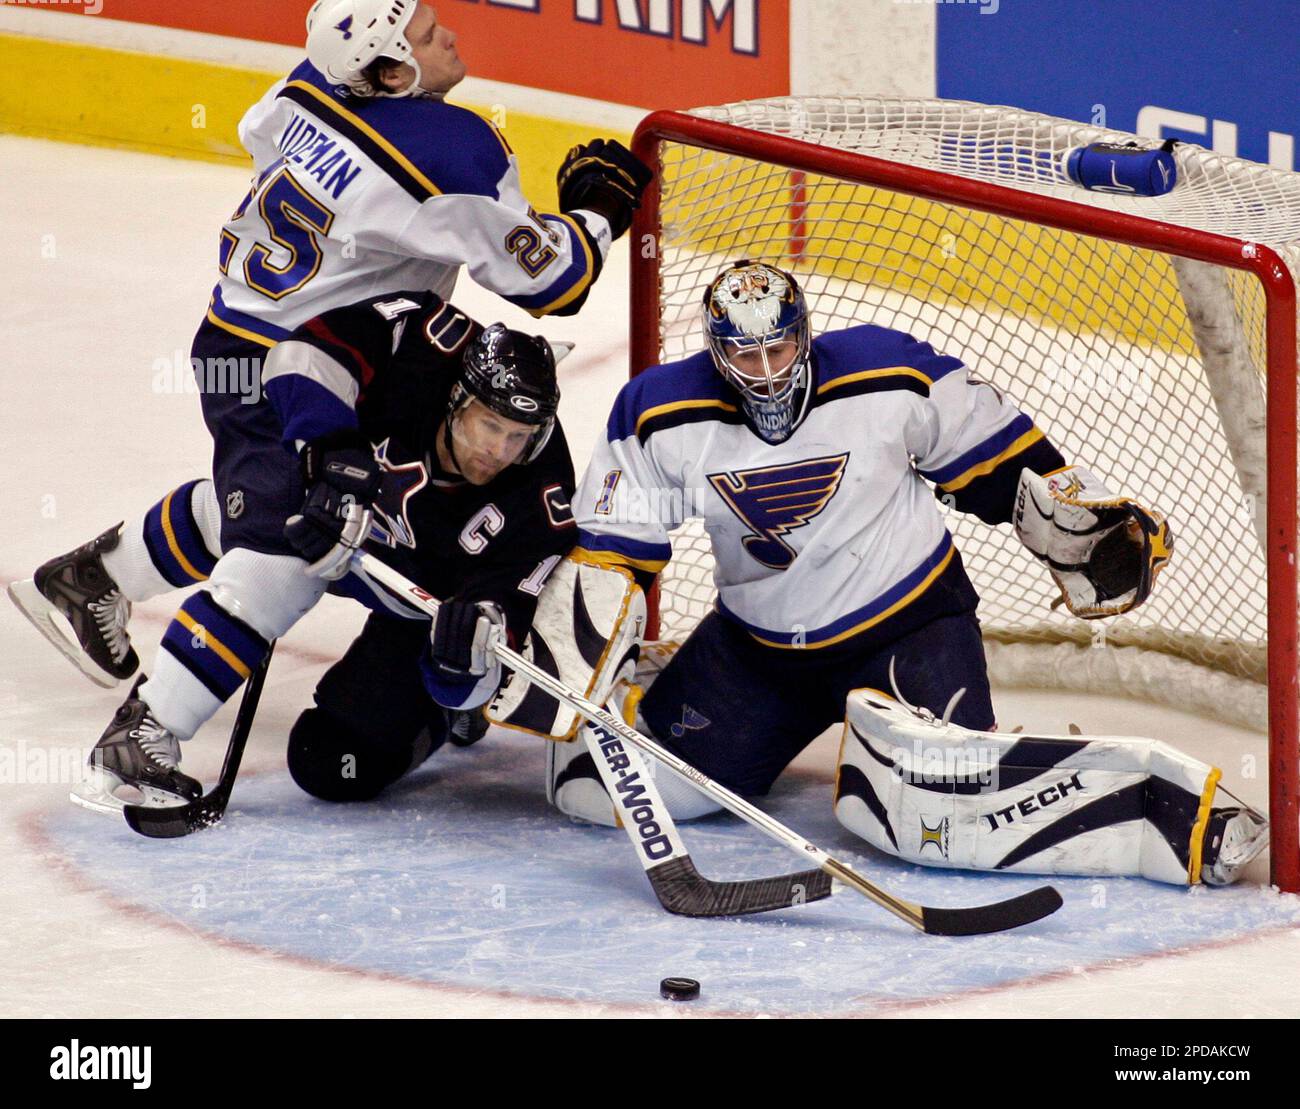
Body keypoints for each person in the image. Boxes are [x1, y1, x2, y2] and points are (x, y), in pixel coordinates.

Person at [9, 0, 644, 794]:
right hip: (308, 362)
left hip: (238, 336)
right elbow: (554, 280)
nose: (444, 31)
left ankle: (96, 575)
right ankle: (145, 735)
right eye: (419, 36)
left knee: (278, 500)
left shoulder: (309, 82)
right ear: (387, 73)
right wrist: (597, 212)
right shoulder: (449, 150)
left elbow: (259, 134)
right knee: (288, 547)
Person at [557, 260, 1267, 887]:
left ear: (805, 334)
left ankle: (1171, 814)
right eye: (747, 354)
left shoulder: (887, 371)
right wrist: (573, 648)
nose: (768, 370)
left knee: (948, 807)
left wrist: (1074, 524)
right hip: (759, 653)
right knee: (597, 788)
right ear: (716, 353)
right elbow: (614, 551)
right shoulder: (659, 413)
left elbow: (1003, 463)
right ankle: (650, 677)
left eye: (779, 346)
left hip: (906, 629)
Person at [67, 290, 575, 808]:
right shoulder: (423, 340)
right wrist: (329, 450)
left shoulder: (543, 500)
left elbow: (493, 646)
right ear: (456, 400)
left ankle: (445, 719)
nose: (500, 451)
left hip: (415, 607)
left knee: (332, 763)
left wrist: (458, 664)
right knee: (270, 536)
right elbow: (299, 357)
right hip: (333, 511)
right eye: (491, 427)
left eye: (520, 437)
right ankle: (142, 720)